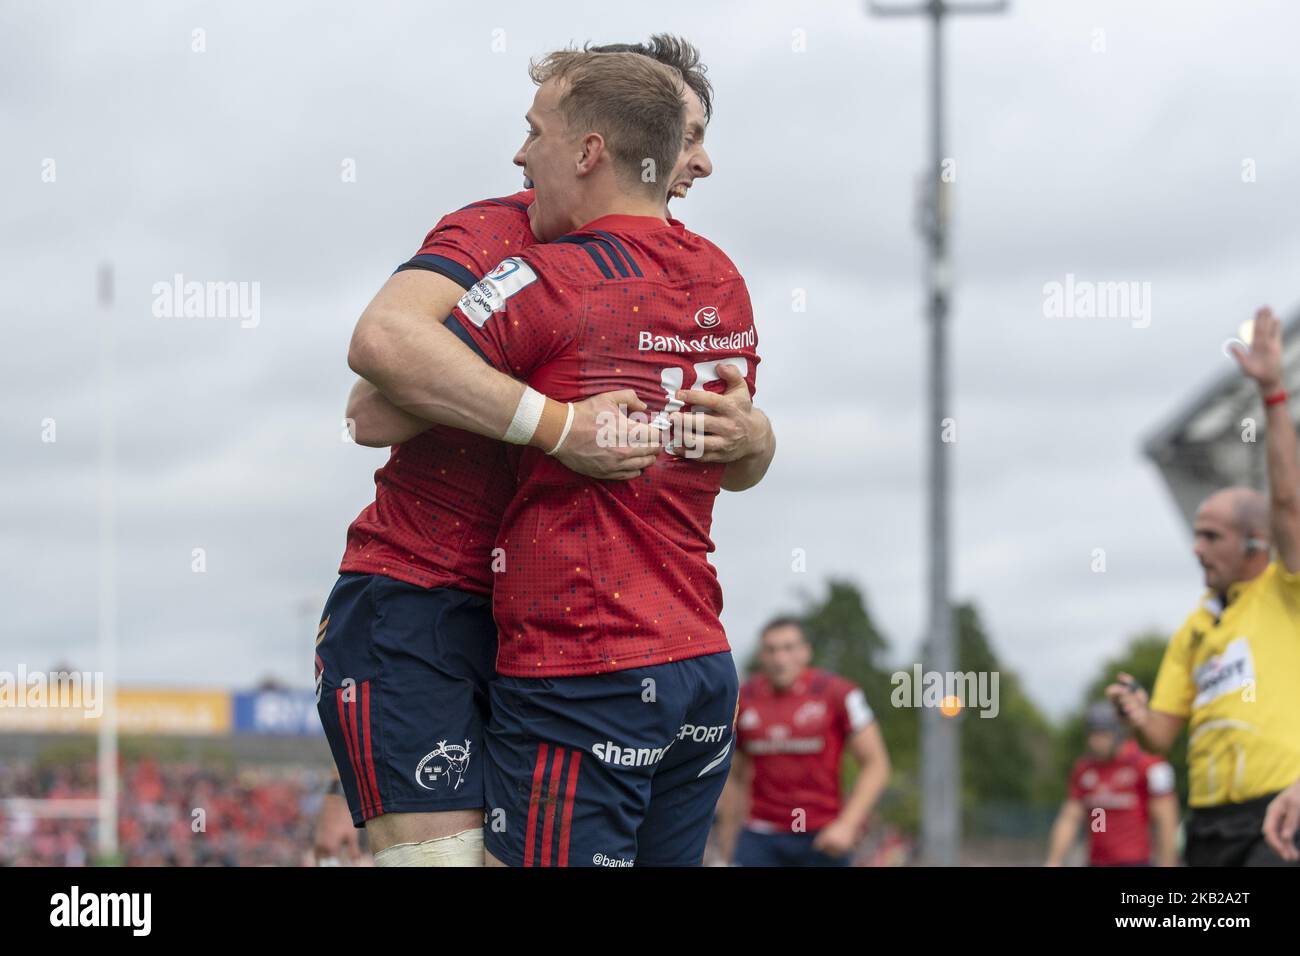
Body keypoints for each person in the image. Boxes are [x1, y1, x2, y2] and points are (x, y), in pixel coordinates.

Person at [314, 38, 774, 867]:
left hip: (565, 629)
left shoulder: (701, 277)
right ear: (609, 139)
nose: (699, 161)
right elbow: (373, 391)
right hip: (426, 593)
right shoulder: (500, 233)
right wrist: (558, 424)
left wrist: (758, 438)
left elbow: (727, 453)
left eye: (695, 133)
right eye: (688, 132)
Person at [1108, 306, 1300, 867]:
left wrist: (1272, 394)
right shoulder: (1194, 630)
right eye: (1195, 534)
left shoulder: (1284, 592)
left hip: (1279, 811)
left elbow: (1287, 504)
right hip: (1209, 825)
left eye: (1211, 535)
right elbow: (1160, 737)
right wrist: (1137, 715)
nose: (1196, 547)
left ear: (1254, 544)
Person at [716, 618, 890, 867]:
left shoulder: (838, 693)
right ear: (761, 655)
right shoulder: (743, 698)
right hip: (760, 835)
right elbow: (734, 775)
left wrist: (848, 825)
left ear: (806, 652)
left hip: (823, 835)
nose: (779, 658)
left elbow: (876, 764)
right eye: (771, 650)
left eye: (788, 648)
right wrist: (729, 837)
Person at [1045, 702, 1178, 867]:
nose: (1095, 742)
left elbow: (1166, 819)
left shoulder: (1145, 764)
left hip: (1135, 862)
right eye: (1092, 735)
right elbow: (1070, 818)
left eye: (1102, 735)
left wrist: (1168, 863)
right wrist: (1054, 861)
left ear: (1118, 734)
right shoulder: (1085, 769)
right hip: (1096, 862)